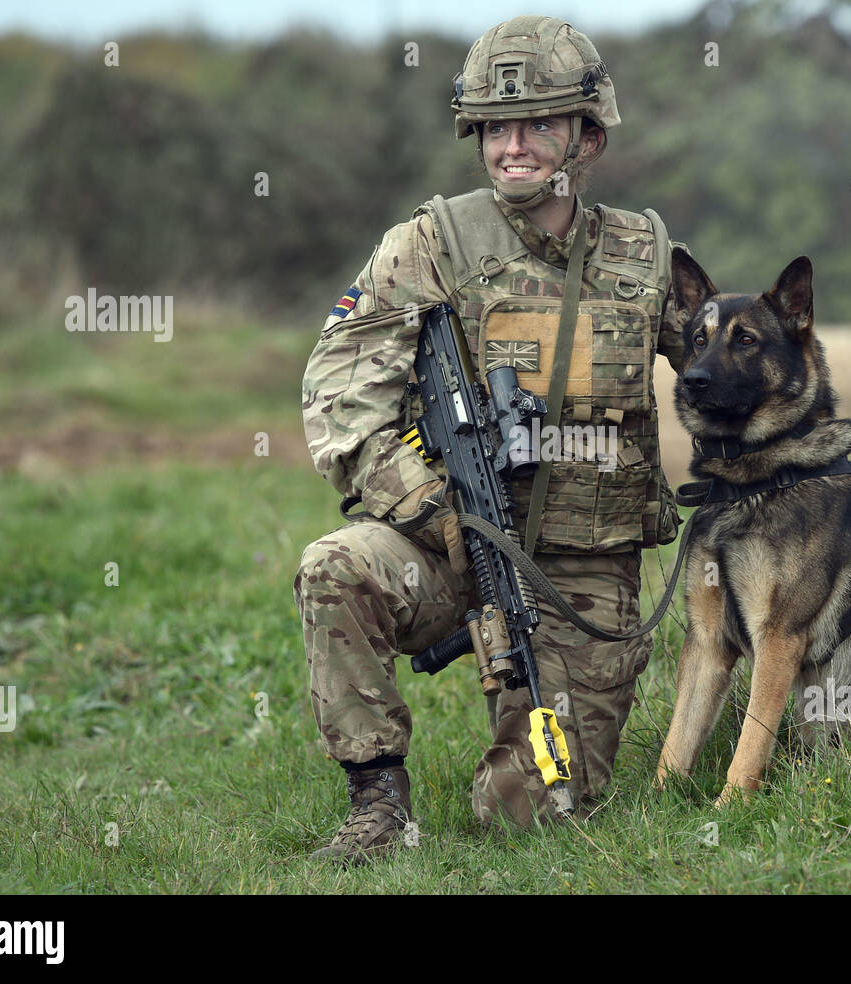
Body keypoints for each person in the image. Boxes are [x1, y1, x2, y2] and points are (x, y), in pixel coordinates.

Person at [295, 15, 694, 865]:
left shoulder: (644, 255)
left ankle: (514, 757)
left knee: (525, 817)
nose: (512, 147)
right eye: (494, 128)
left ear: (587, 136)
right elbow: (340, 395)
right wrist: (432, 508)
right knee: (336, 566)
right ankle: (379, 806)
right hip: (449, 542)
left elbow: (729, 371)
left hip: (583, 570)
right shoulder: (432, 244)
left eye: (538, 125)